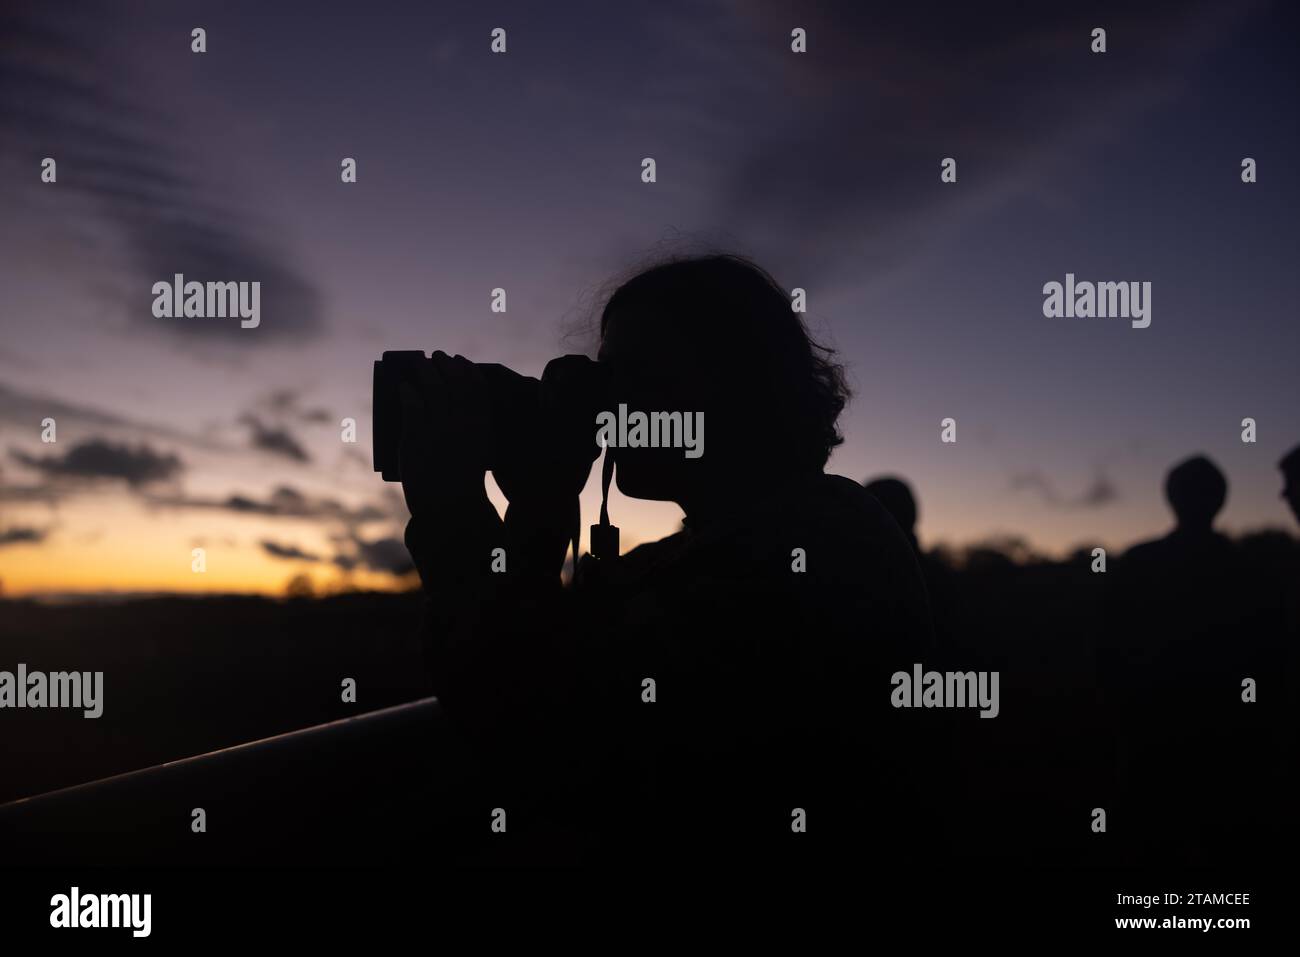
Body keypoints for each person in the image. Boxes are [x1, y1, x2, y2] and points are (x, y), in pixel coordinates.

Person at [397, 253, 937, 867]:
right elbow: (542, 650)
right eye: (605, 376)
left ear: (738, 387)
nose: (609, 405)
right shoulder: (740, 538)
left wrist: (458, 507)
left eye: (639, 375)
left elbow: (533, 726)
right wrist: (539, 503)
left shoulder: (815, 545)